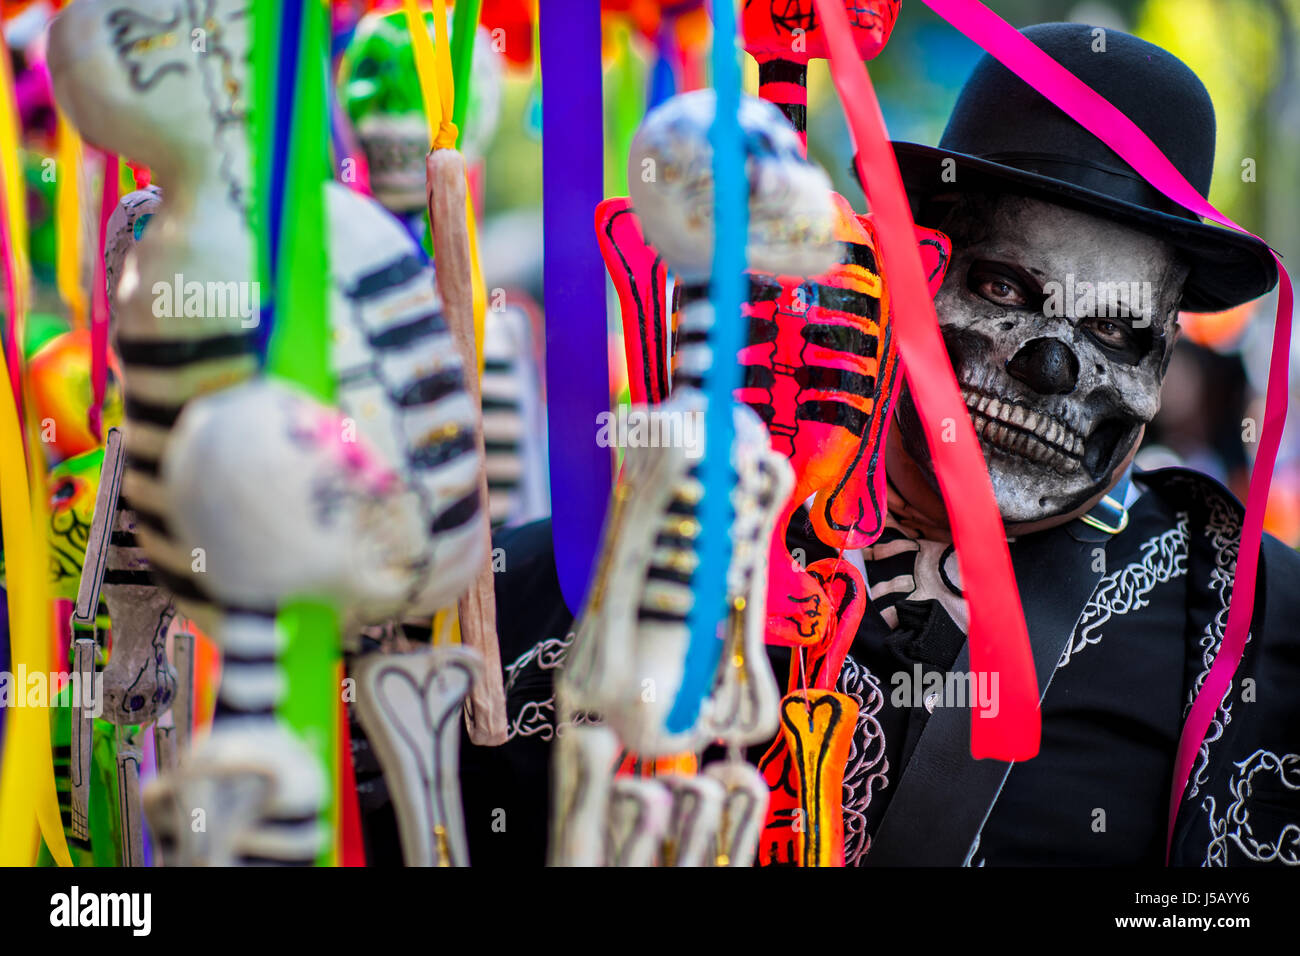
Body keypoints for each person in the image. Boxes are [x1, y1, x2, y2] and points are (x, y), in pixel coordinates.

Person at [447, 22, 1299, 867]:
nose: (1048, 365)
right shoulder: (643, 551)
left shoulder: (1235, 616)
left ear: (1163, 355)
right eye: (1003, 285)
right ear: (914, 269)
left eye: (1116, 328)